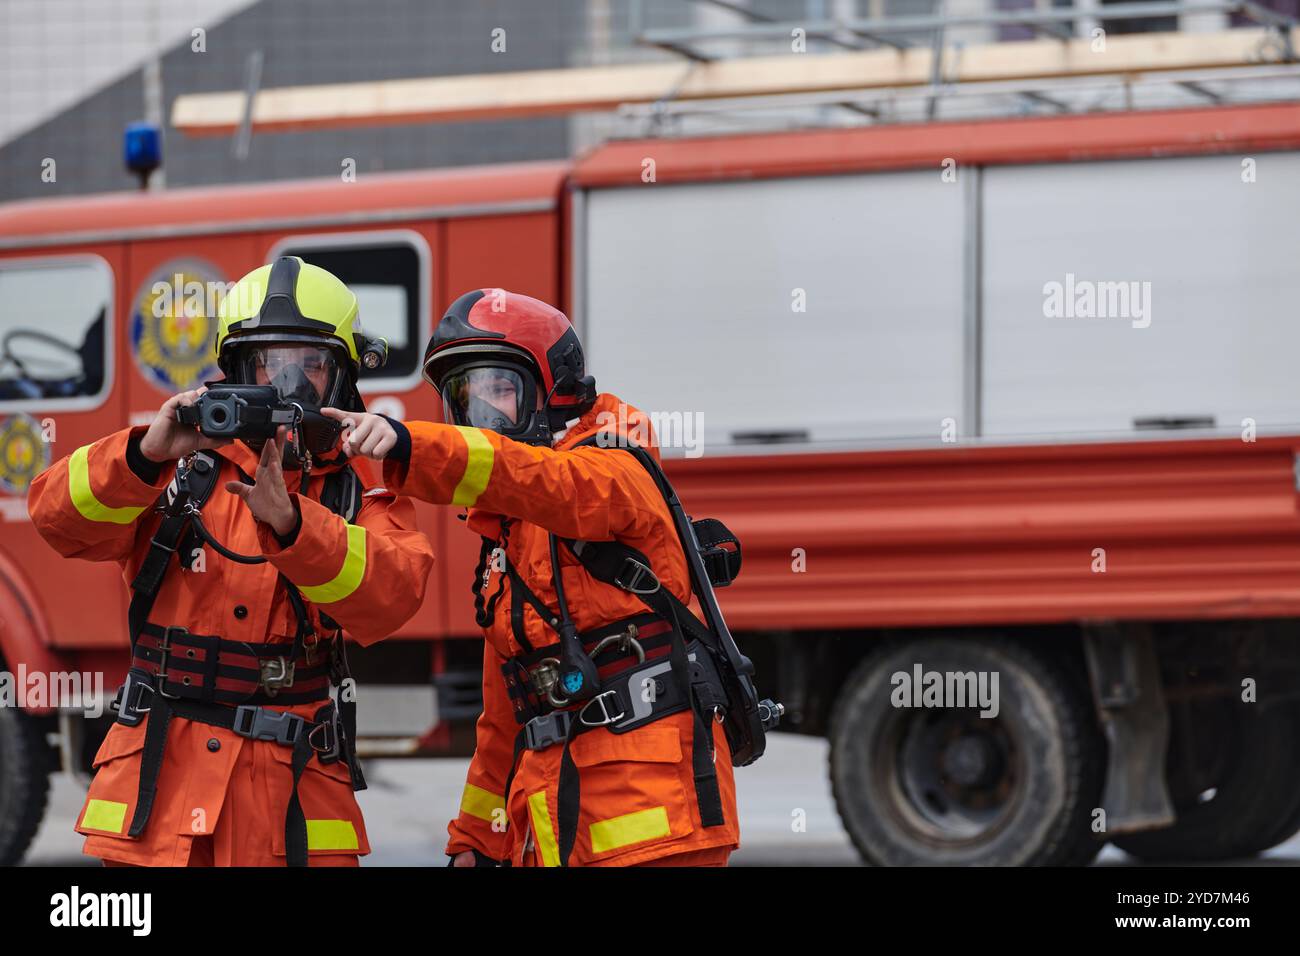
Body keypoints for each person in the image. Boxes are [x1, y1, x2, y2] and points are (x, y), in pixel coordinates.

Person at [28, 256, 435, 866]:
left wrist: (293, 524)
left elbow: (392, 595)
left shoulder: (354, 493)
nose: (289, 385)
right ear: (236, 370)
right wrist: (142, 455)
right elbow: (56, 519)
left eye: (312, 365)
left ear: (343, 379)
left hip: (290, 803)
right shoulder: (176, 468)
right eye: (269, 364)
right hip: (162, 801)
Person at [323, 288, 741, 867]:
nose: (484, 416)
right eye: (466, 398)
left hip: (655, 822)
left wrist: (415, 444)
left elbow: (551, 483)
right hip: (557, 814)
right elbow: (506, 716)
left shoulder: (616, 468)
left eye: (500, 389)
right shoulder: (511, 532)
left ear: (554, 388)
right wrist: (475, 840)